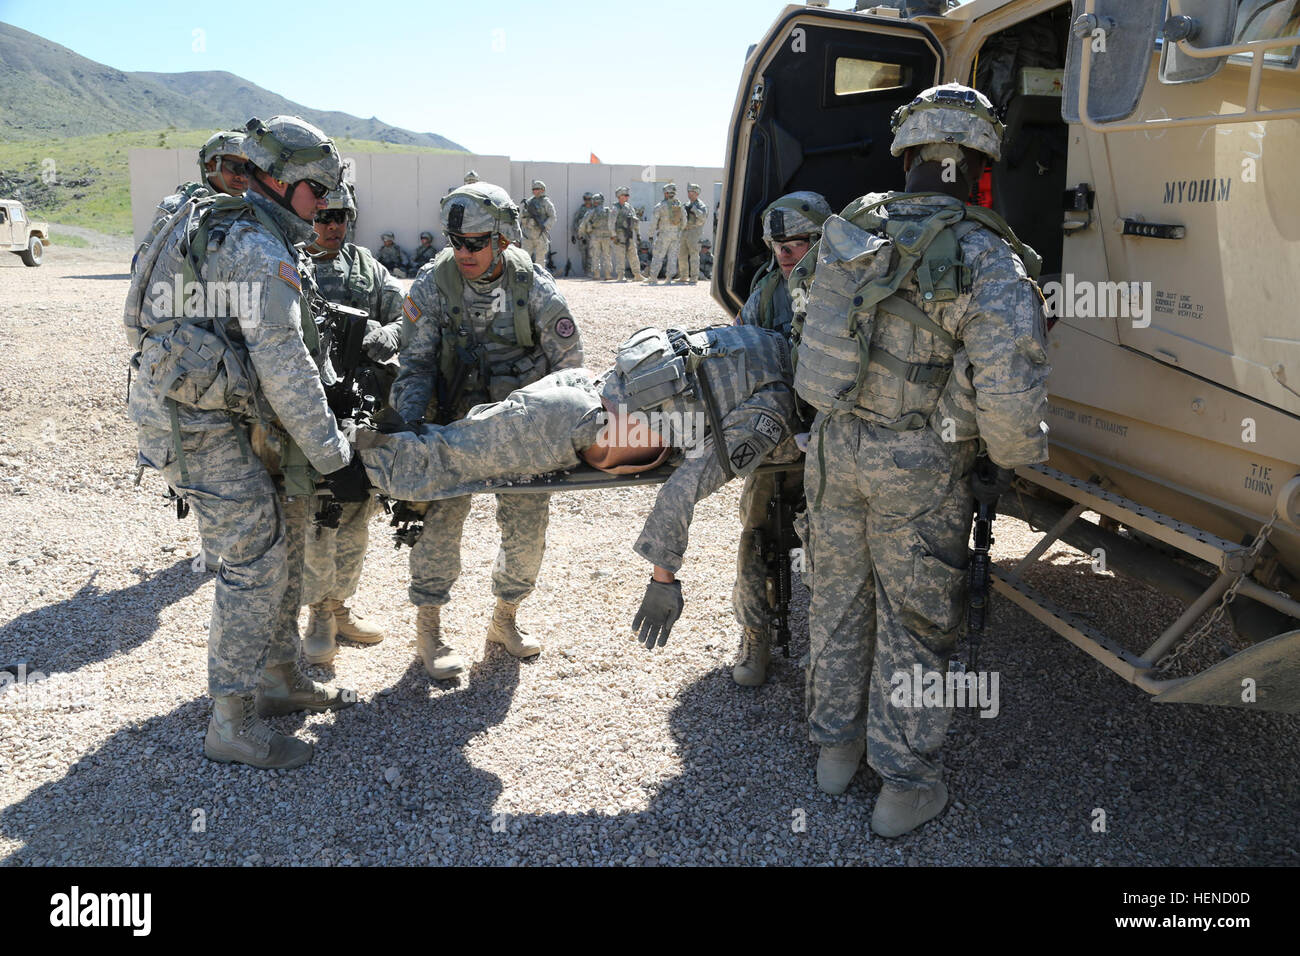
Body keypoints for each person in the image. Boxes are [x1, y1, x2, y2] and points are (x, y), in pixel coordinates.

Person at [795, 83, 1051, 837]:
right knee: (916, 622)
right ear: (980, 162)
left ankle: (836, 751)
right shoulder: (987, 253)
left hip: (835, 451)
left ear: (905, 151)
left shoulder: (849, 232)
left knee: (838, 601)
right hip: (920, 467)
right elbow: (1008, 417)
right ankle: (902, 787)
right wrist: (1011, 457)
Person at [124, 115, 365, 770]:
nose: (324, 207)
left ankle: (278, 677)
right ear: (286, 182)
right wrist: (335, 457)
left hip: (213, 404)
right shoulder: (257, 248)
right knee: (255, 553)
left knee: (286, 526)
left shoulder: (218, 214)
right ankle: (229, 721)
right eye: (318, 190)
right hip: (190, 418)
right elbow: (285, 366)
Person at [356, 324, 801, 645]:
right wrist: (663, 577)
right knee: (443, 462)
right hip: (579, 424)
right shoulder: (776, 400)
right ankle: (340, 455)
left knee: (455, 449)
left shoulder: (762, 337)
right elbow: (687, 484)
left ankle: (352, 448)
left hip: (578, 395)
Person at [391, 182, 584, 679]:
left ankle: (505, 619)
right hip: (454, 424)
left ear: (503, 238)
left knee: (526, 531)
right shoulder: (435, 285)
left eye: (475, 242)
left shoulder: (535, 289)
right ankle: (429, 628)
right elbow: (413, 364)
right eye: (455, 241)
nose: (464, 252)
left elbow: (571, 373)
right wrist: (413, 427)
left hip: (520, 432)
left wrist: (559, 435)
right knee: (438, 525)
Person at [300, 185, 407, 665]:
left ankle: (340, 607)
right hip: (309, 409)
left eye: (341, 216)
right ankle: (317, 616)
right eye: (324, 216)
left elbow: (409, 316)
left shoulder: (366, 266)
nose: (333, 225)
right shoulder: (290, 263)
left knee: (359, 509)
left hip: (362, 407)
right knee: (320, 514)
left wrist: (387, 335)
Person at [730, 191, 832, 687]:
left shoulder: (850, 288)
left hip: (835, 447)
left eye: (796, 245)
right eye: (777, 246)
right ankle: (755, 636)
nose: (785, 257)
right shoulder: (769, 289)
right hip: (778, 442)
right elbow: (738, 349)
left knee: (833, 549)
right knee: (756, 535)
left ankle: (830, 653)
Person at [133, 129, 250, 272]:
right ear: (210, 165)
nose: (242, 176)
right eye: (235, 167)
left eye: (248, 170)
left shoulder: (255, 211)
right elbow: (144, 265)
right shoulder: (179, 208)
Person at [644, 184, 684, 284]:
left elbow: (654, 222)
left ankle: (653, 277)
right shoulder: (679, 205)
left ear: (666, 193)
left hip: (664, 235)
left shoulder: (660, 206)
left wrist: (650, 234)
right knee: (672, 256)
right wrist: (679, 231)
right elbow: (685, 221)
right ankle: (669, 278)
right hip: (676, 235)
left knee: (658, 255)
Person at [676, 183, 710, 284]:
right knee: (682, 254)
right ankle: (683, 276)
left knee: (694, 255)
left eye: (691, 192)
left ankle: (694, 277)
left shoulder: (701, 206)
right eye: (688, 192)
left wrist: (694, 210)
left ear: (696, 193)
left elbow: (703, 218)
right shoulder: (686, 204)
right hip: (684, 231)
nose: (689, 194)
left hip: (695, 232)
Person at [579, 192, 616, 280]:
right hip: (606, 236)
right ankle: (607, 275)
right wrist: (613, 234)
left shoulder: (591, 212)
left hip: (595, 236)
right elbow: (613, 223)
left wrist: (580, 233)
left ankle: (596, 274)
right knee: (607, 255)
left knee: (595, 255)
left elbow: (583, 223)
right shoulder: (608, 211)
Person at [520, 179, 557, 266]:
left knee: (540, 258)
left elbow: (553, 217)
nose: (535, 191)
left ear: (542, 189)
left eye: (537, 188)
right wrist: (525, 217)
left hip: (540, 233)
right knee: (524, 257)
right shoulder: (529, 202)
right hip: (528, 233)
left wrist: (544, 225)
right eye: (533, 189)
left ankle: (539, 277)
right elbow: (521, 216)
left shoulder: (546, 202)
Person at [611, 187, 643, 281]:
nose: (627, 197)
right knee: (620, 255)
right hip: (619, 235)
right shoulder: (615, 208)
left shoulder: (629, 207)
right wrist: (614, 235)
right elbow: (611, 222)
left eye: (627, 195)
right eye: (625, 195)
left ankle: (637, 274)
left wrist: (638, 234)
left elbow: (635, 220)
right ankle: (621, 275)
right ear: (619, 196)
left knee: (633, 254)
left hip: (629, 234)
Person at [571, 192, 594, 275]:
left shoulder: (594, 210)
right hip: (582, 235)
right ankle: (586, 271)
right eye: (585, 199)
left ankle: (590, 271)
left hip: (592, 235)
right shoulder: (580, 210)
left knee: (591, 254)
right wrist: (574, 234)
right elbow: (575, 222)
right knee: (584, 254)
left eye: (589, 199)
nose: (587, 201)